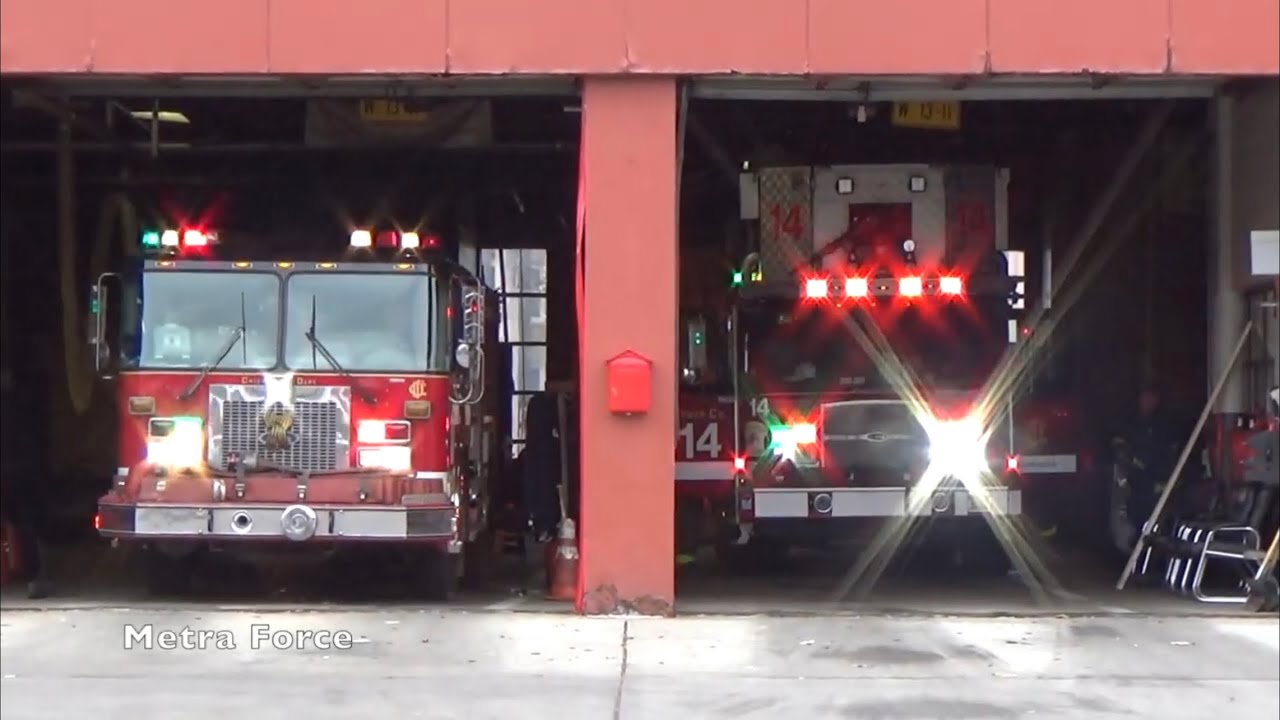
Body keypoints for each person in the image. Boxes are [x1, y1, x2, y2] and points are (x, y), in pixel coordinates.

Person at [1112, 383, 1182, 546]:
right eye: (1145, 397)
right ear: (1139, 399)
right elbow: (1119, 447)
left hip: (1159, 479)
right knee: (1136, 511)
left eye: (1152, 398)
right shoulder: (1128, 422)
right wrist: (1130, 460)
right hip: (1135, 481)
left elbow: (1170, 450)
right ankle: (1138, 541)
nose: (1149, 402)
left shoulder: (1164, 423)